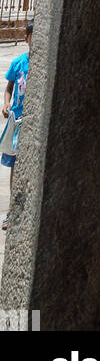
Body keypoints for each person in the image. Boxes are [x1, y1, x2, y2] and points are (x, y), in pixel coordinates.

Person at [2, 19, 32, 229]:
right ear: (26, 38)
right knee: (15, 165)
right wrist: (5, 104)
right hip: (17, 121)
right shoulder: (19, 63)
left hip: (32, 122)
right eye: (32, 37)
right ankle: (12, 211)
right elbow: (9, 88)